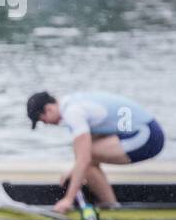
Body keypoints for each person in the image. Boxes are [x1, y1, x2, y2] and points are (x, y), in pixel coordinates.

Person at [27, 90, 166, 212]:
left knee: (86, 156)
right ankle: (109, 204)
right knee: (82, 151)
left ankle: (111, 207)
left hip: (148, 136)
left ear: (48, 109)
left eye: (42, 119)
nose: (45, 123)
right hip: (142, 131)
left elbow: (85, 158)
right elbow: (91, 143)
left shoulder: (73, 112)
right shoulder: (71, 102)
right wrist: (74, 171)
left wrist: (68, 200)